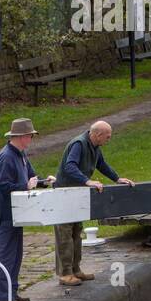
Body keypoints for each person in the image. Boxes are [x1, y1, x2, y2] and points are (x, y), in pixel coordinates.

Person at [54, 121, 133, 286]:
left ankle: (75, 269)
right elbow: (70, 166)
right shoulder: (79, 144)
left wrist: (117, 179)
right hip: (64, 194)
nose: (108, 140)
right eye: (107, 137)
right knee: (65, 234)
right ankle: (65, 273)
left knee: (77, 231)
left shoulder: (95, 147)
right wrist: (87, 181)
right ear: (97, 135)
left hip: (76, 194)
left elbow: (101, 165)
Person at [0, 119, 54, 301]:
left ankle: (12, 292)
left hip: (18, 213)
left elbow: (30, 178)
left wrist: (45, 181)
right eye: (29, 136)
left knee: (16, 255)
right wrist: (25, 186)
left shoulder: (21, 154)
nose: (31, 139)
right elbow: (3, 186)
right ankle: (4, 298)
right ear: (19, 137)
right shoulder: (6, 157)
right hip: (6, 215)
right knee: (5, 256)